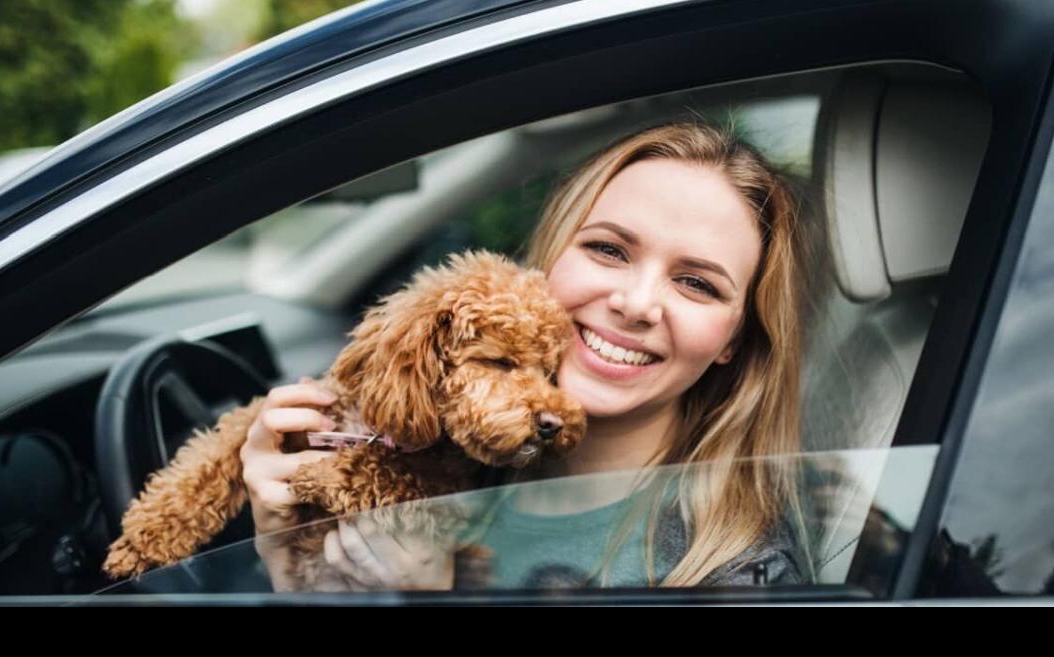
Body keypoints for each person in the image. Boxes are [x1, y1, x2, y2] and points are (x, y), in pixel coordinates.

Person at [243, 121, 810, 591]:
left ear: (733, 340)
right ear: (548, 261)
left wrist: (438, 597)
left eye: (696, 284)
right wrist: (283, 551)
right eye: (607, 249)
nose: (636, 305)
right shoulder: (444, 448)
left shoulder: (737, 575)